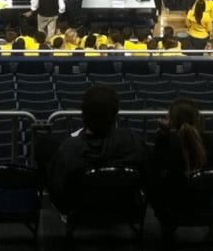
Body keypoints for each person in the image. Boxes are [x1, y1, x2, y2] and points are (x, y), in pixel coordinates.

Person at [47, 84, 143, 214]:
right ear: (115, 114)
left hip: (79, 210)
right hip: (126, 208)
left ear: (84, 114)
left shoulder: (69, 149)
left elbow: (57, 190)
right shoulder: (133, 143)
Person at [145, 98, 213, 231]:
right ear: (196, 118)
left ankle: (167, 225)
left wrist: (163, 134)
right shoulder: (209, 141)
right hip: (203, 202)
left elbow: (154, 172)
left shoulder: (165, 141)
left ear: (172, 120)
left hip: (172, 204)